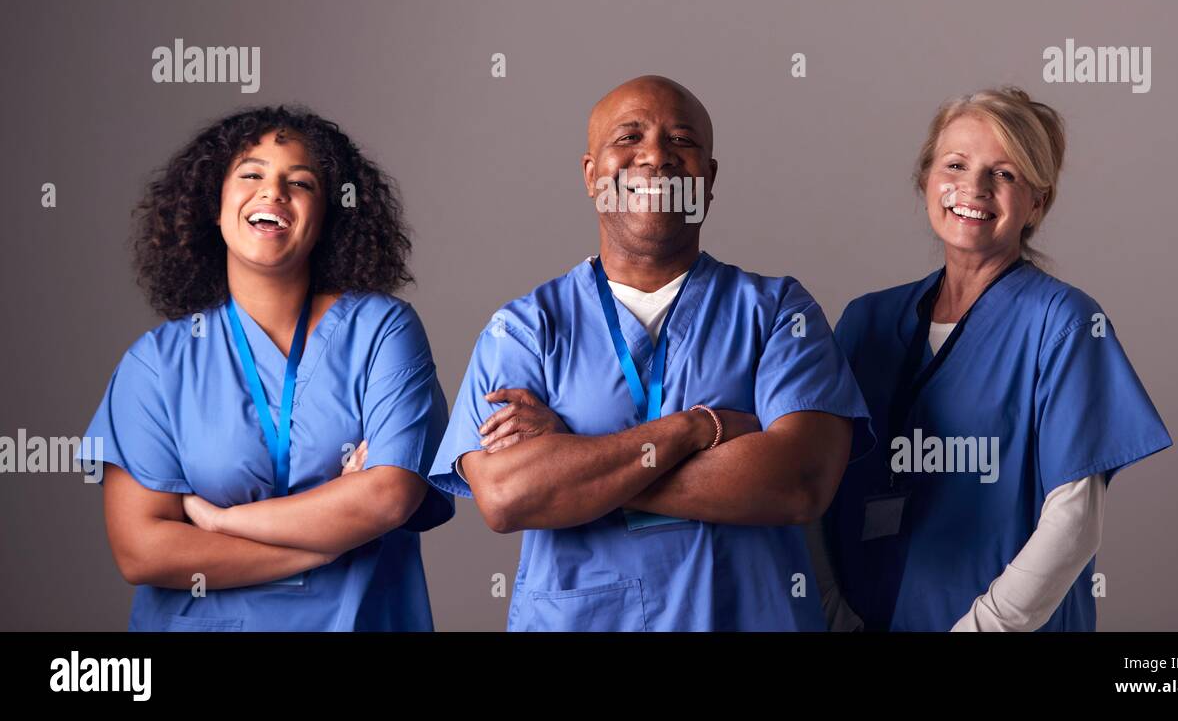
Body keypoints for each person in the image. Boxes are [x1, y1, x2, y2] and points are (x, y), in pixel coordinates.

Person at [429, 75, 871, 631]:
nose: (657, 156)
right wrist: (694, 430)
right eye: (629, 137)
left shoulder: (779, 312)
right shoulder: (523, 329)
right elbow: (509, 496)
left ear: (708, 180)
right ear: (592, 176)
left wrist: (572, 465)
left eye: (682, 141)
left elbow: (799, 481)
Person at [81, 106, 453, 631]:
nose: (272, 192)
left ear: (327, 216)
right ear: (213, 205)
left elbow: (389, 497)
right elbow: (143, 552)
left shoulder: (381, 331)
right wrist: (326, 544)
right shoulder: (157, 364)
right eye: (251, 174)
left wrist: (220, 522)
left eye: (299, 182)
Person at [820, 87, 1172, 631]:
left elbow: (1074, 522)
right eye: (955, 164)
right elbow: (811, 480)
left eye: (1005, 174)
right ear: (926, 180)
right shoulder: (865, 323)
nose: (974, 188)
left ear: (1037, 201)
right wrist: (833, 614)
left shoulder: (1065, 324)